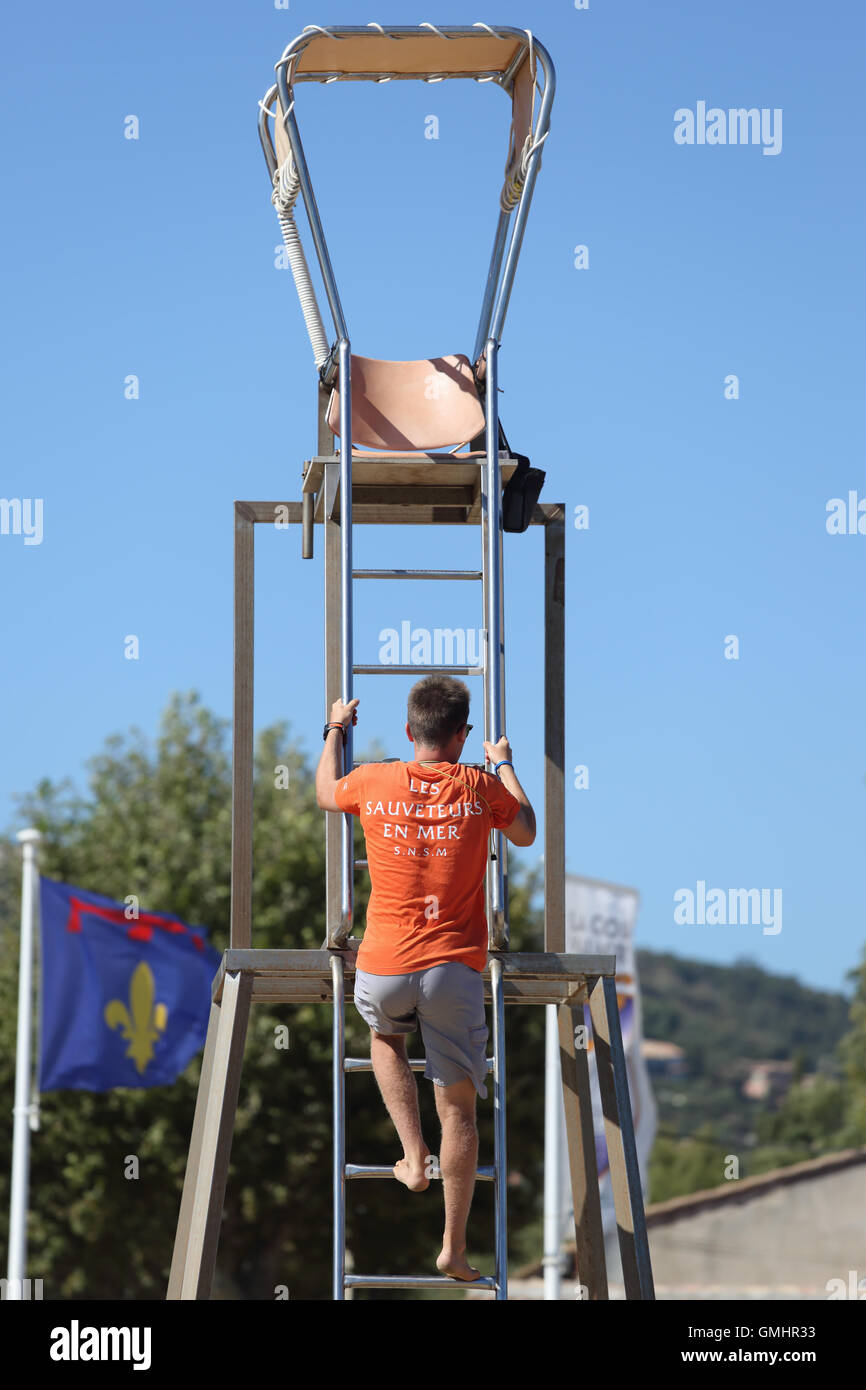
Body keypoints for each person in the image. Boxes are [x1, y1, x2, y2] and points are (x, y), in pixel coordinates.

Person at [315, 674, 536, 1282]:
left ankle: (412, 1157)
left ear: (410, 731)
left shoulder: (375, 779)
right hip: (452, 969)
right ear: (462, 735)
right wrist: (506, 764)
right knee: (459, 1110)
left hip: (383, 965)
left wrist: (335, 726)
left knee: (385, 1040)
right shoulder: (480, 785)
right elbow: (525, 831)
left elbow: (325, 791)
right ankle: (454, 1248)